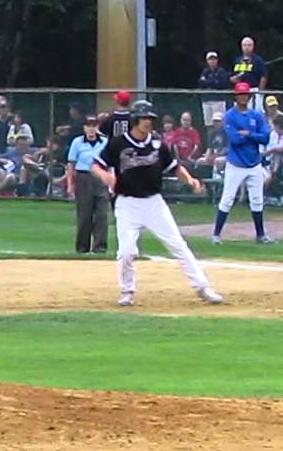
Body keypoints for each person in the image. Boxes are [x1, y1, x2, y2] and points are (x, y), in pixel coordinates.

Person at [92, 101, 224, 307]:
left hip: (154, 203)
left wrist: (190, 181)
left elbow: (174, 167)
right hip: (127, 203)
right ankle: (127, 290)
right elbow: (96, 165)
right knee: (126, 251)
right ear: (135, 120)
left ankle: (203, 287)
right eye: (144, 118)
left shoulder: (156, 143)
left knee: (178, 245)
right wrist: (105, 177)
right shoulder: (118, 143)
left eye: (150, 119)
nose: (148, 122)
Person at [213, 82, 275, 244]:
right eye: (240, 94)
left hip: (254, 162)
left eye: (245, 94)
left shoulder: (256, 115)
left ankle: (260, 235)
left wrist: (248, 134)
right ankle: (216, 234)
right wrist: (253, 135)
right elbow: (234, 139)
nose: (243, 97)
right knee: (227, 199)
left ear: (249, 96)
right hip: (236, 163)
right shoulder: (230, 115)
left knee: (257, 199)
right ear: (236, 96)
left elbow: (266, 137)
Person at [66, 114, 109, 253]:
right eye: (88, 126)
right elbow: (71, 164)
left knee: (102, 214)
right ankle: (82, 247)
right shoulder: (77, 142)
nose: (91, 129)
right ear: (84, 128)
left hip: (101, 177)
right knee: (85, 215)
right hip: (83, 177)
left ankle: (100, 247)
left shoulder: (104, 142)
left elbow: (111, 163)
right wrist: (70, 183)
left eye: (94, 126)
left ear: (98, 127)